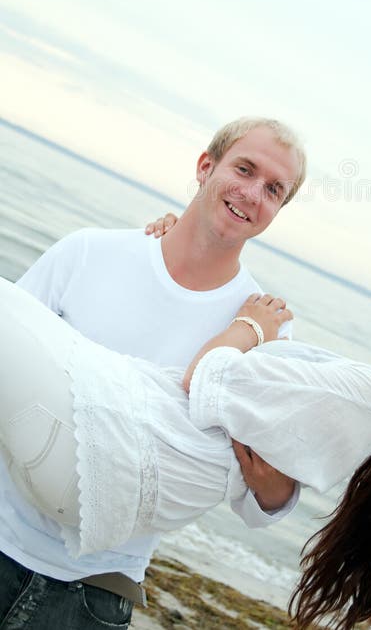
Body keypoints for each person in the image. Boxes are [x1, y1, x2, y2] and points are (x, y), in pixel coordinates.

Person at [0, 277, 371, 630]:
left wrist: (252, 326)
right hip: (108, 464)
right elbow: (260, 481)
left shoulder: (363, 400)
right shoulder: (366, 413)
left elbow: (204, 380)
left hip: (101, 440)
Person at [0, 117, 307, 629]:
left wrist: (279, 482)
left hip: (91, 595)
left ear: (277, 211)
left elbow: (260, 506)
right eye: (245, 169)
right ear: (206, 166)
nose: (253, 193)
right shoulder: (89, 252)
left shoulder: (264, 332)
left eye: (273, 189)